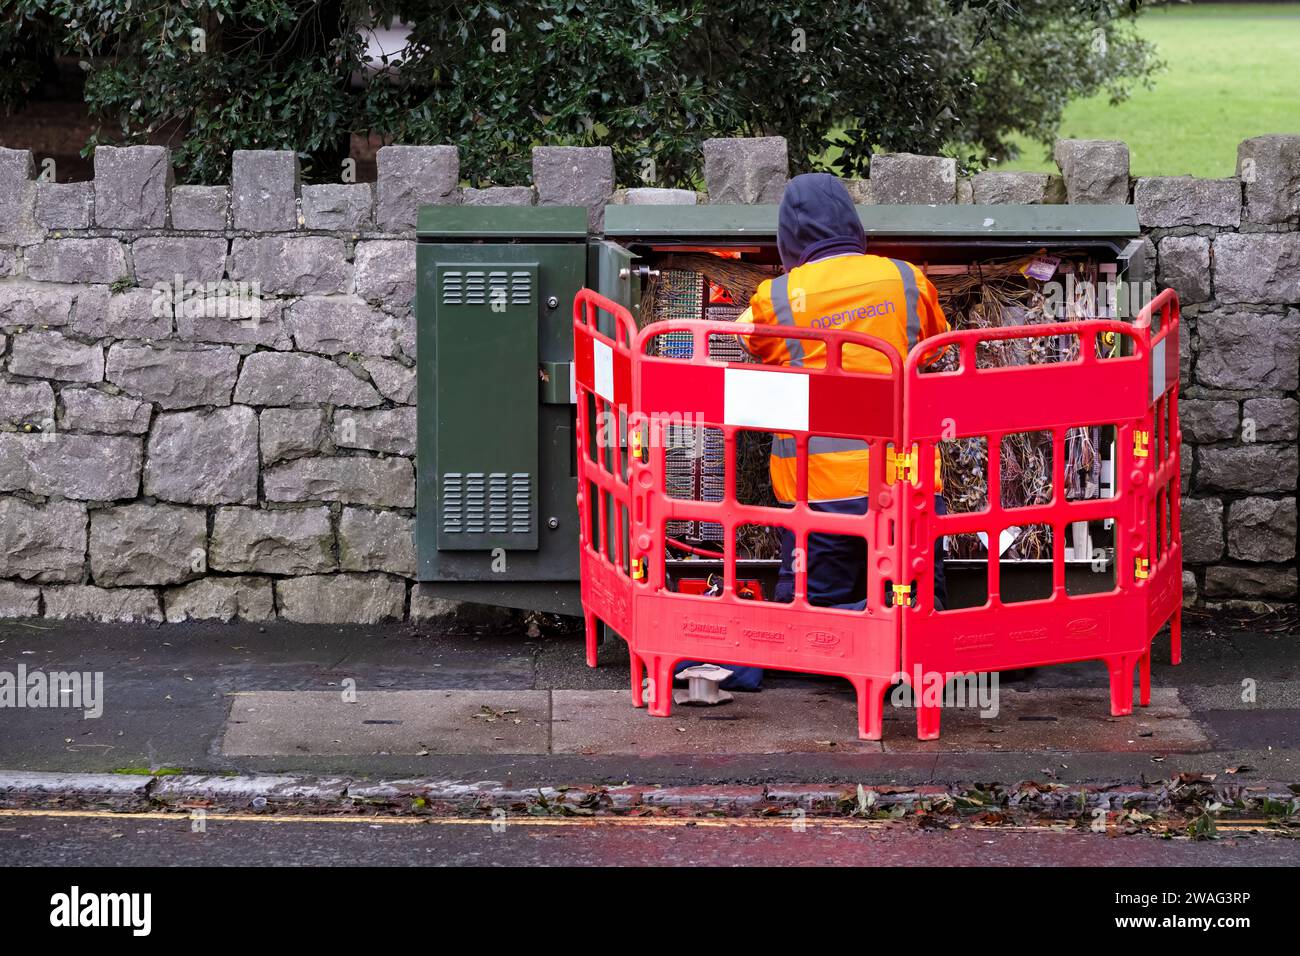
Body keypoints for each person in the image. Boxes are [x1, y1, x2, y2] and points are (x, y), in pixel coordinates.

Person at [675, 173, 951, 693]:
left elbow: (747, 346)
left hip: (819, 500)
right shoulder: (907, 279)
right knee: (916, 607)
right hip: (907, 493)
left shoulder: (777, 296)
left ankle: (845, 641)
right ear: (852, 222)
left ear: (788, 238)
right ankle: (899, 643)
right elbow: (933, 346)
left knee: (812, 617)